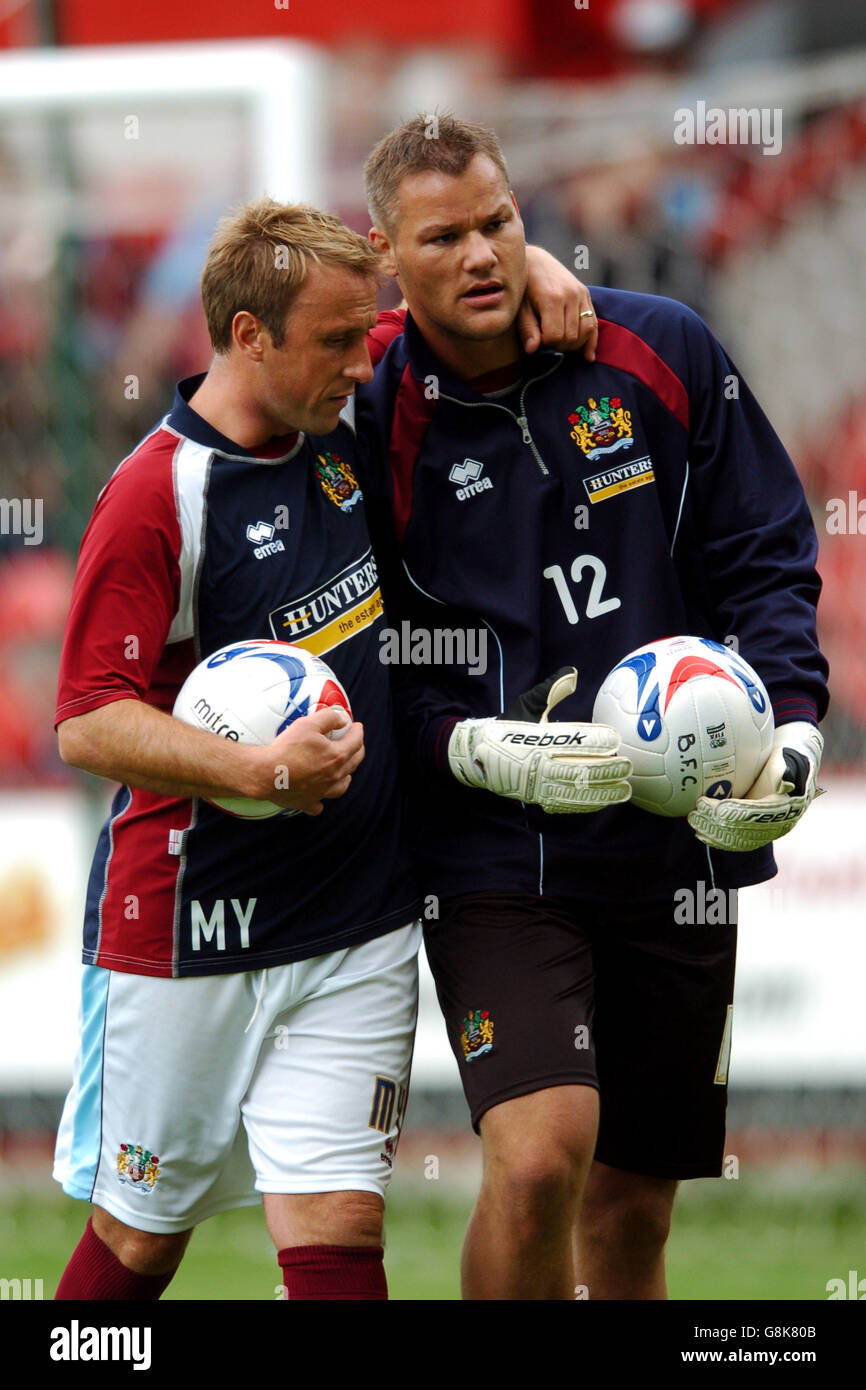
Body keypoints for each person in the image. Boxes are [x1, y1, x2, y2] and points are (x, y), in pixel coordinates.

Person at [51, 196, 594, 1301]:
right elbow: (87, 718)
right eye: (338, 341)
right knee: (141, 1237)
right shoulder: (160, 496)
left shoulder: (334, 411)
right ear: (251, 337)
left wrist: (529, 260)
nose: (362, 360)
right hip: (190, 930)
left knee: (341, 1224)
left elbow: (436, 312)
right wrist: (256, 773)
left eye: (364, 334)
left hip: (357, 919)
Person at [355, 115, 829, 1300]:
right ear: (386, 255)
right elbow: (351, 646)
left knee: (628, 1217)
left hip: (674, 846)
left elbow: (765, 554)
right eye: (443, 235)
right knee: (535, 1159)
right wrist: (464, 742)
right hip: (487, 851)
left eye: (498, 224)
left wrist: (798, 726)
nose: (478, 253)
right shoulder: (362, 412)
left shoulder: (657, 348)